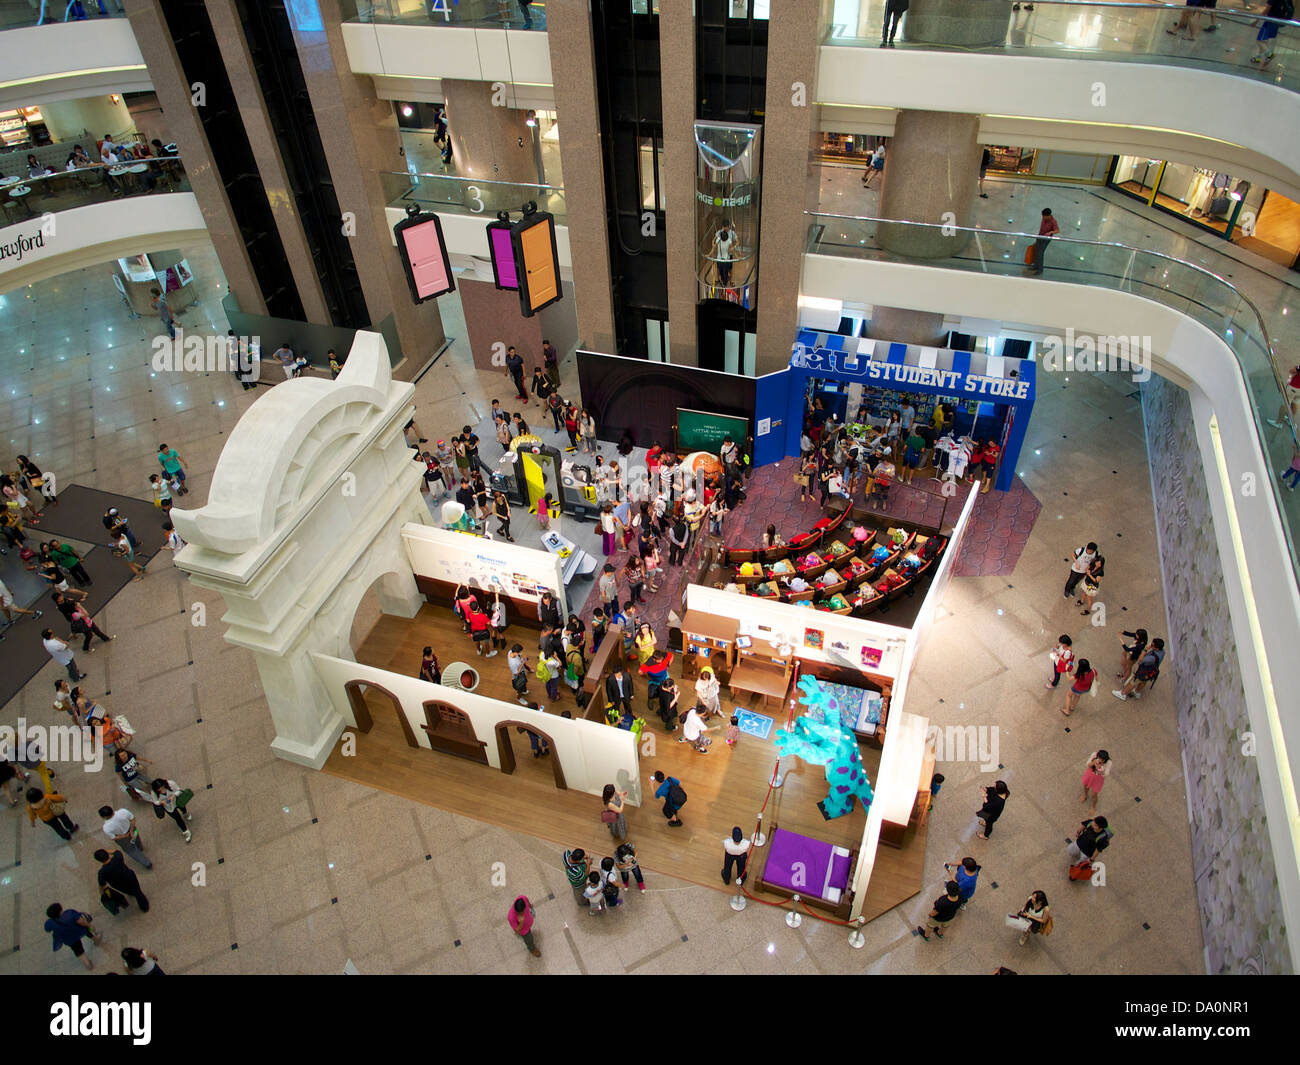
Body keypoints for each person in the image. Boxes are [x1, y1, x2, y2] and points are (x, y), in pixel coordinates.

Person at [44, 904, 102, 970]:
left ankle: (87, 964)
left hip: (68, 938)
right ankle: (96, 940)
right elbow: (81, 922)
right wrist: (89, 925)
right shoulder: (70, 913)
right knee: (87, 931)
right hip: (79, 930)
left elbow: (47, 929)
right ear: (60, 911)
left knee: (77, 949)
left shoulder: (49, 922)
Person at [95, 847, 149, 914]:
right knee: (138, 893)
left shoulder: (102, 872)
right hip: (130, 878)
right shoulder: (118, 858)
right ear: (107, 854)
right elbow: (116, 851)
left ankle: (132, 893)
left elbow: (102, 885)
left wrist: (102, 893)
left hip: (120, 885)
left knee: (130, 892)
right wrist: (106, 851)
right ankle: (144, 907)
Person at [99, 805, 152, 869]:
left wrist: (125, 836)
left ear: (105, 816)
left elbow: (114, 837)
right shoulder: (122, 811)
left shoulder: (106, 827)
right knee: (136, 839)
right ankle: (139, 847)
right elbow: (132, 819)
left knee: (131, 850)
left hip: (123, 839)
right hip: (132, 829)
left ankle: (146, 863)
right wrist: (131, 830)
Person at [1027, 207, 1059, 276]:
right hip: (1040, 236)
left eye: (1044, 216)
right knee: (1036, 251)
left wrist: (1050, 232)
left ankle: (1040, 269)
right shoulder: (1044, 218)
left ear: (1049, 215)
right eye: (1043, 216)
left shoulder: (1053, 221)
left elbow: (1057, 230)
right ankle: (1035, 265)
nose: (1043, 217)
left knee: (1040, 253)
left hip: (1046, 239)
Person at [713, 220, 737, 286]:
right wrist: (713, 245)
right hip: (720, 255)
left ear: (729, 226)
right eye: (724, 227)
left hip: (729, 255)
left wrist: (733, 247)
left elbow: (737, 242)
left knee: (731, 268)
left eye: (726, 227)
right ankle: (717, 279)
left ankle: (731, 280)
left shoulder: (732, 233)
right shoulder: (719, 232)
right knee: (718, 267)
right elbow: (714, 240)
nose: (725, 228)